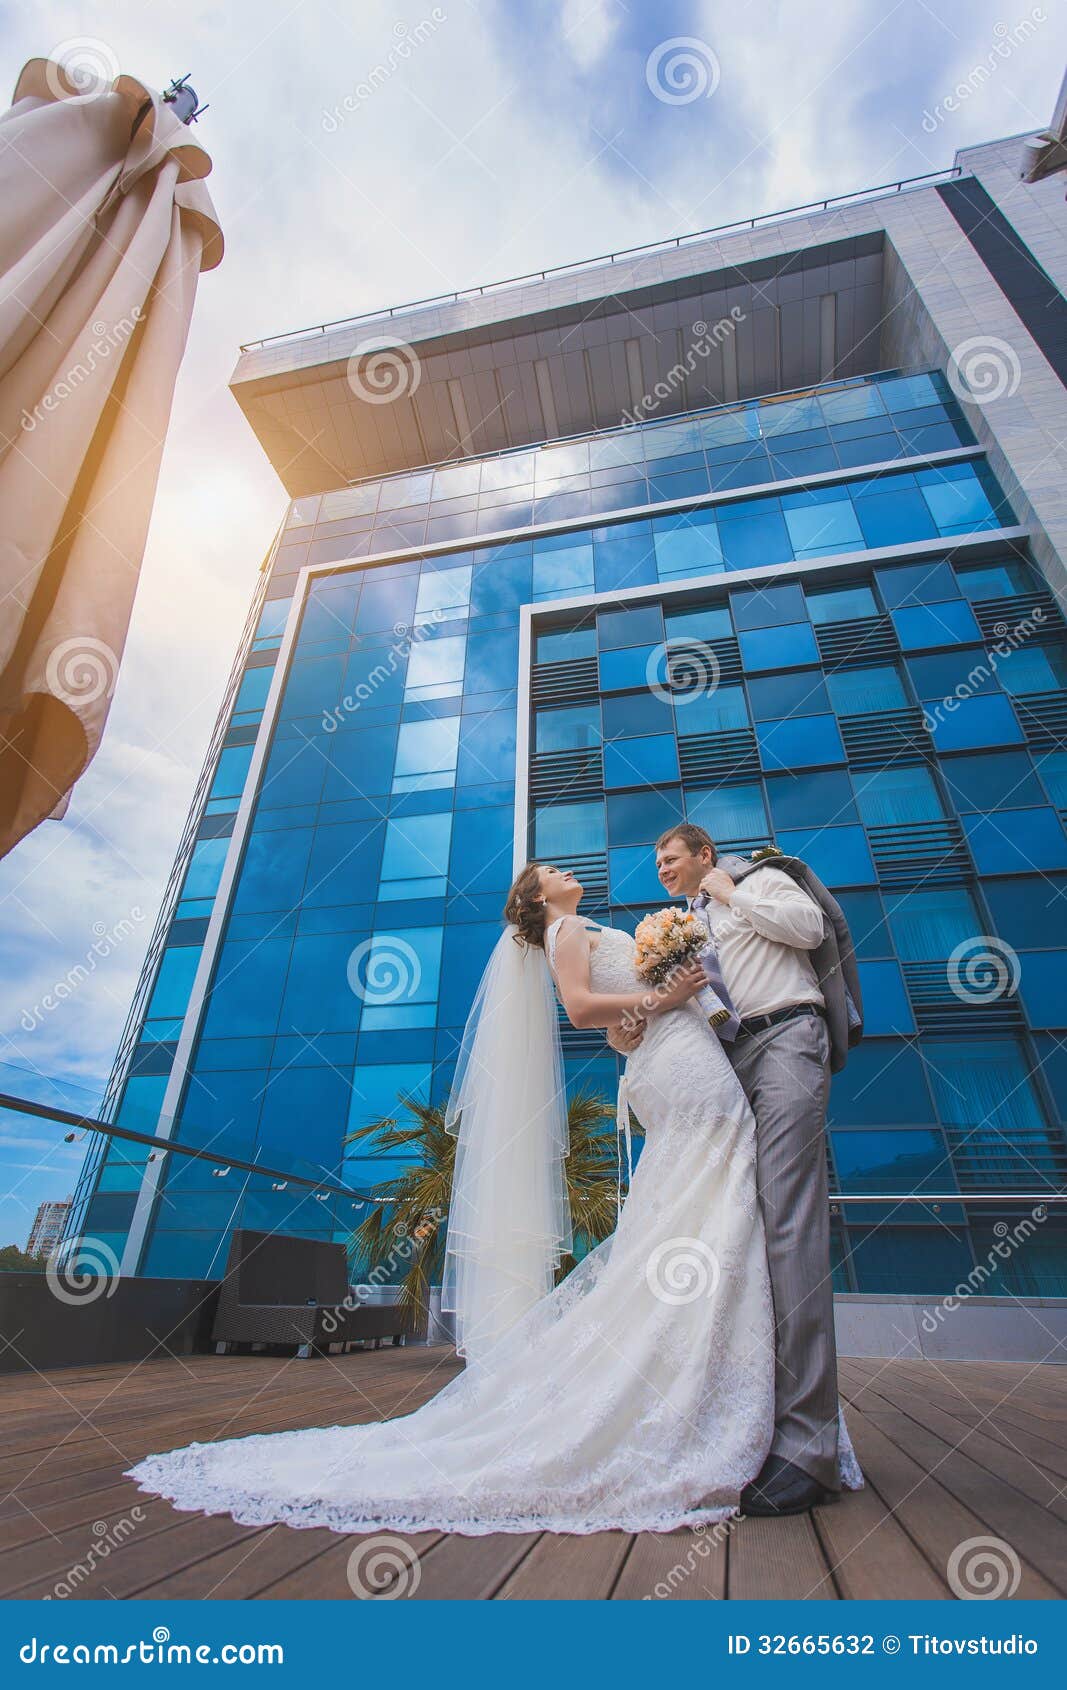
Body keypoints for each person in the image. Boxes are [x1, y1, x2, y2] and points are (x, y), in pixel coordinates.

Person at [127, 863, 861, 1537]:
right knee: (712, 1189)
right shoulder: (565, 931)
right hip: (683, 1067)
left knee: (701, 1203)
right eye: (550, 871)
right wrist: (661, 996)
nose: (564, 870)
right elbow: (582, 1009)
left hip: (674, 1055)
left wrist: (642, 1014)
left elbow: (615, 1027)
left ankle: (719, 1382)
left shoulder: (589, 927)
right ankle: (711, 1389)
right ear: (539, 899)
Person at [609, 824, 862, 1516]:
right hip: (726, 1064)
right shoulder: (682, 928)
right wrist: (636, 1023)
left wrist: (730, 892)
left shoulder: (758, 879)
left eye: (670, 857)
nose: (661, 868)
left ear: (704, 855)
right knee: (738, 1230)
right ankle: (746, 1421)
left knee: (787, 1222)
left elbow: (808, 929)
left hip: (785, 1038)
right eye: (656, 861)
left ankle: (807, 1448)